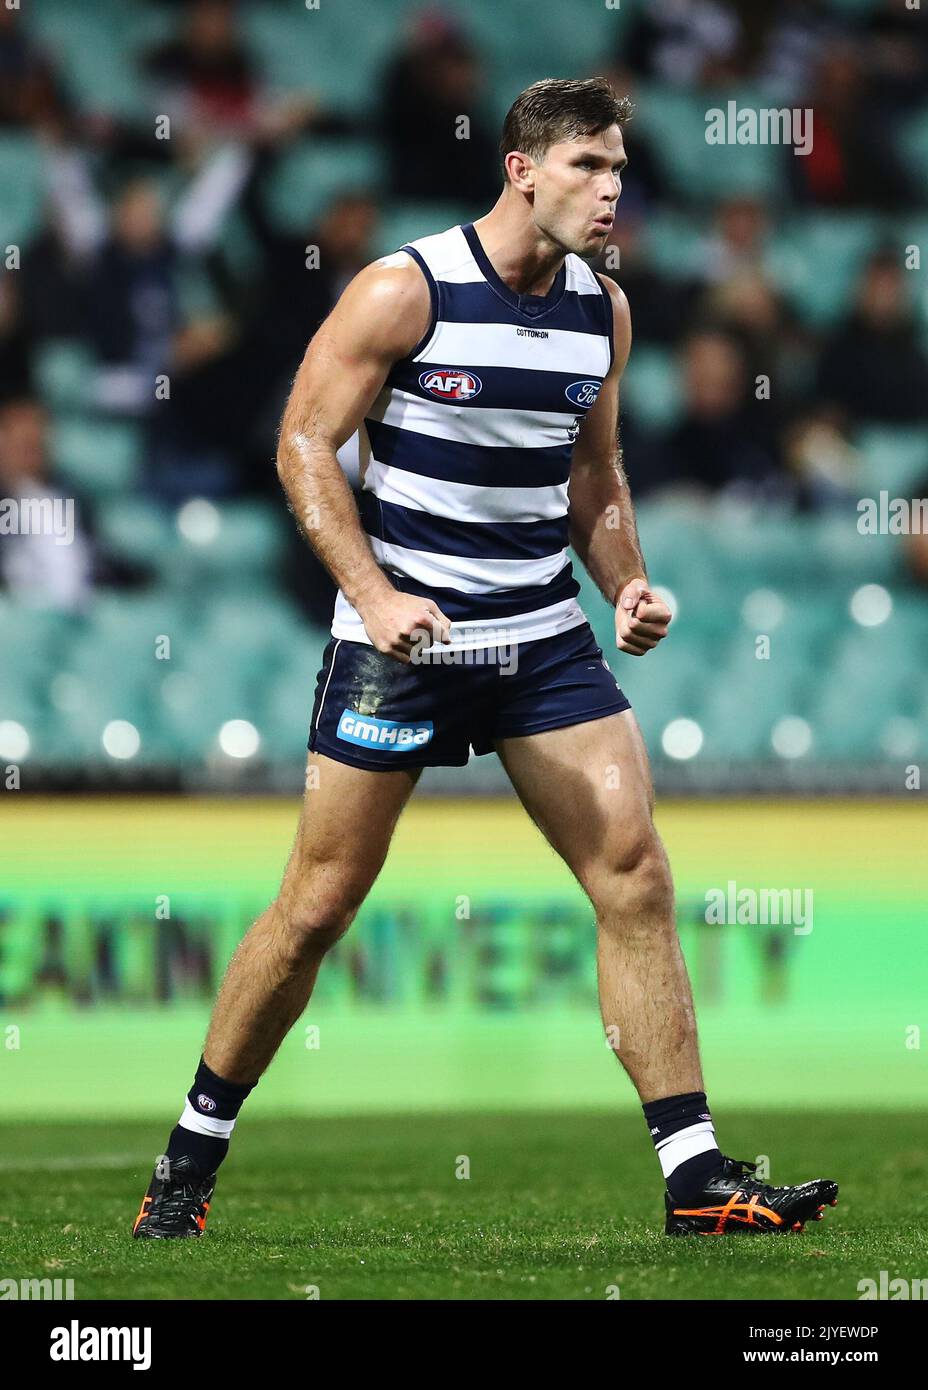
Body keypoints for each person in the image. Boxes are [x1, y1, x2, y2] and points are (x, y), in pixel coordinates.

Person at [133, 77, 837, 1242]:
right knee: (315, 906)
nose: (612, 191)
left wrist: (629, 585)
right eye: (588, 168)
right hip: (398, 644)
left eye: (619, 169)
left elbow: (594, 477)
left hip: (541, 635)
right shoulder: (404, 288)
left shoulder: (601, 312)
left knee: (637, 875)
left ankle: (694, 1177)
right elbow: (305, 444)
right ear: (521, 169)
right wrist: (373, 591)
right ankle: (186, 1166)